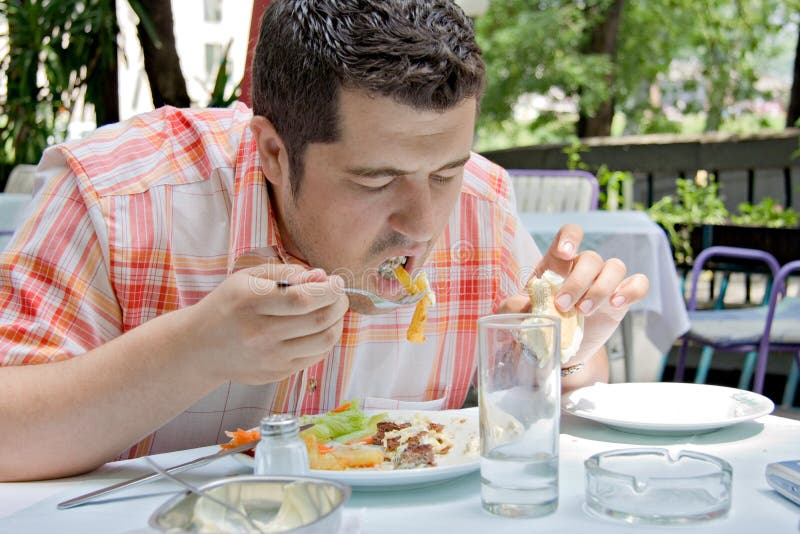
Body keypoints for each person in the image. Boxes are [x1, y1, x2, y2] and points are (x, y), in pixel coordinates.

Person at [0, 0, 648, 481]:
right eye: (376, 180)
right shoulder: (117, 196)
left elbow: (567, 382)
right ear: (274, 154)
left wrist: (558, 346)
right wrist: (193, 352)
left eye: (446, 172)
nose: (423, 224)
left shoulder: (483, 203)